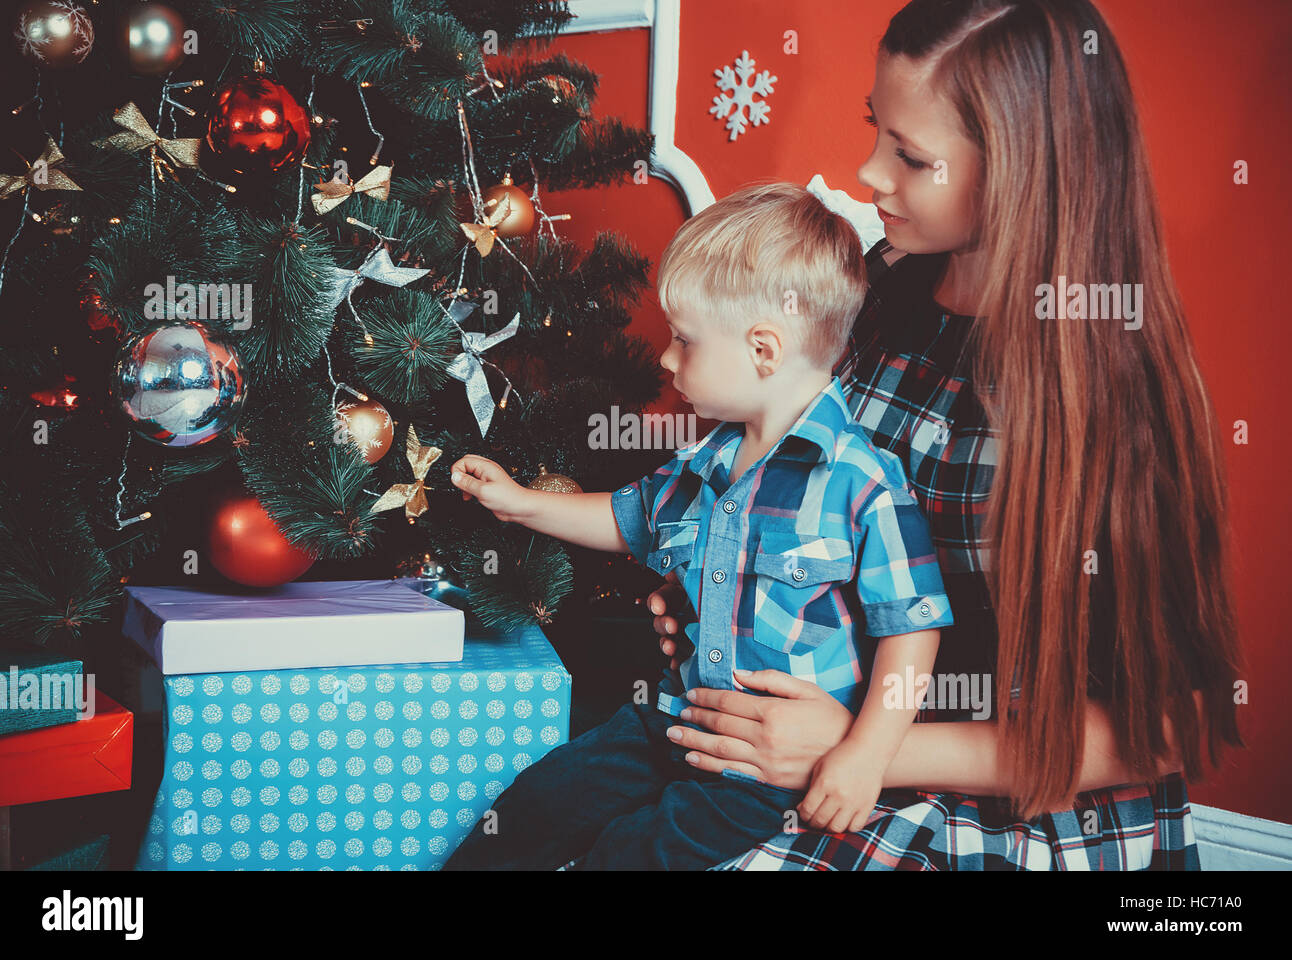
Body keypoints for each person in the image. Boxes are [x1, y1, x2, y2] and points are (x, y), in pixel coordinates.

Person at [647, 0, 1245, 871]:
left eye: (911, 156)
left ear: (1022, 172)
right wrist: (723, 591)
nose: (868, 174)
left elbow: (1168, 725)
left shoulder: (1115, 396)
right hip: (819, 732)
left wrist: (861, 745)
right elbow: (787, 491)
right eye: (875, 129)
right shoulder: (872, 291)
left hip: (1012, 789)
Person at [442, 180, 956, 869]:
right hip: (673, 718)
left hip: (763, 770)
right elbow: (625, 518)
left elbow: (912, 629)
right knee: (529, 813)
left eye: (684, 341)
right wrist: (521, 503)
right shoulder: (704, 461)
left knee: (632, 855)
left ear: (764, 351)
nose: (666, 358)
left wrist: (866, 755)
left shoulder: (863, 485)